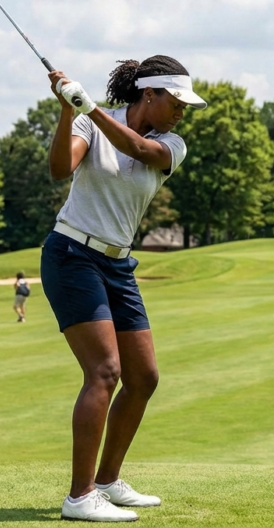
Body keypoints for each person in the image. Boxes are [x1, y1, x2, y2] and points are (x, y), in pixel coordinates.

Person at [42, 55, 204, 523]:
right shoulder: (94, 125)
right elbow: (59, 169)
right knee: (104, 372)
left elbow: (139, 151)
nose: (181, 112)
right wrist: (68, 111)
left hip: (117, 264)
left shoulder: (172, 143)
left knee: (144, 377)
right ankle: (80, 496)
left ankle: (109, 482)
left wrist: (88, 107)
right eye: (175, 102)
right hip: (72, 255)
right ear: (149, 94)